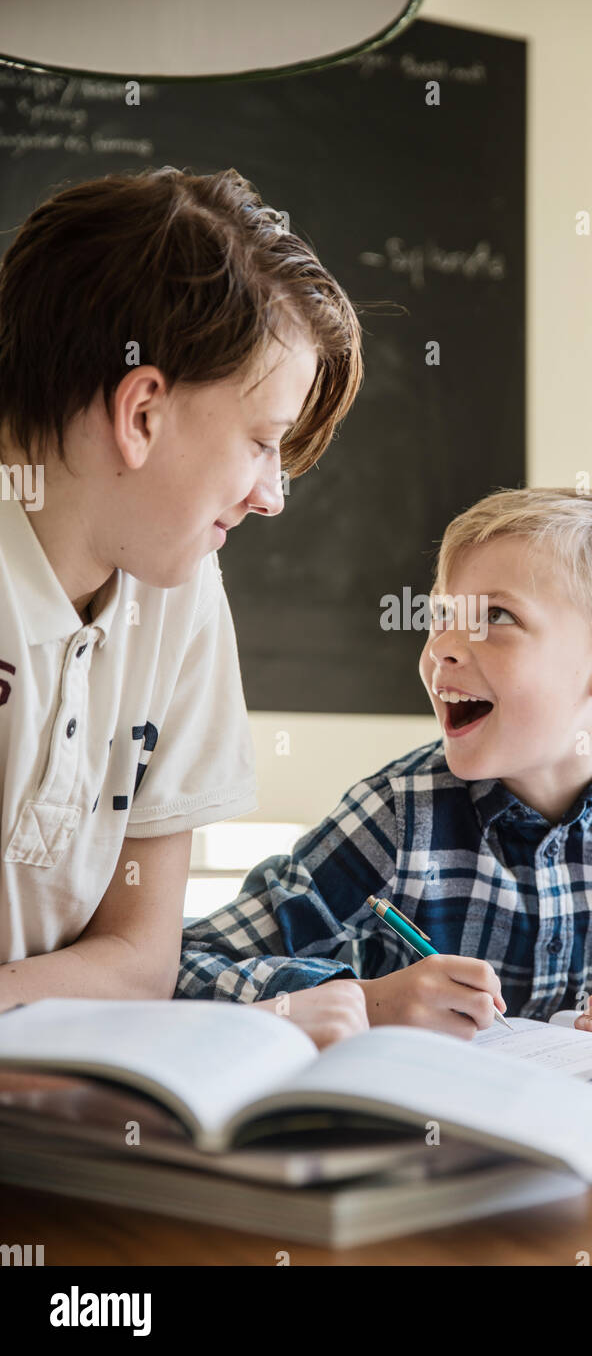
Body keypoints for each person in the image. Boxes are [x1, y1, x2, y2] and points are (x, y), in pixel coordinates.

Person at [177, 487, 592, 1040]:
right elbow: (184, 965)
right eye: (441, 616)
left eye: (495, 618)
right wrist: (363, 1000)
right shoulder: (397, 815)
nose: (441, 647)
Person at [0, 165, 367, 1047]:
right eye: (261, 442)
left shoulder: (182, 593)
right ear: (142, 412)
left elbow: (136, 959)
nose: (272, 496)